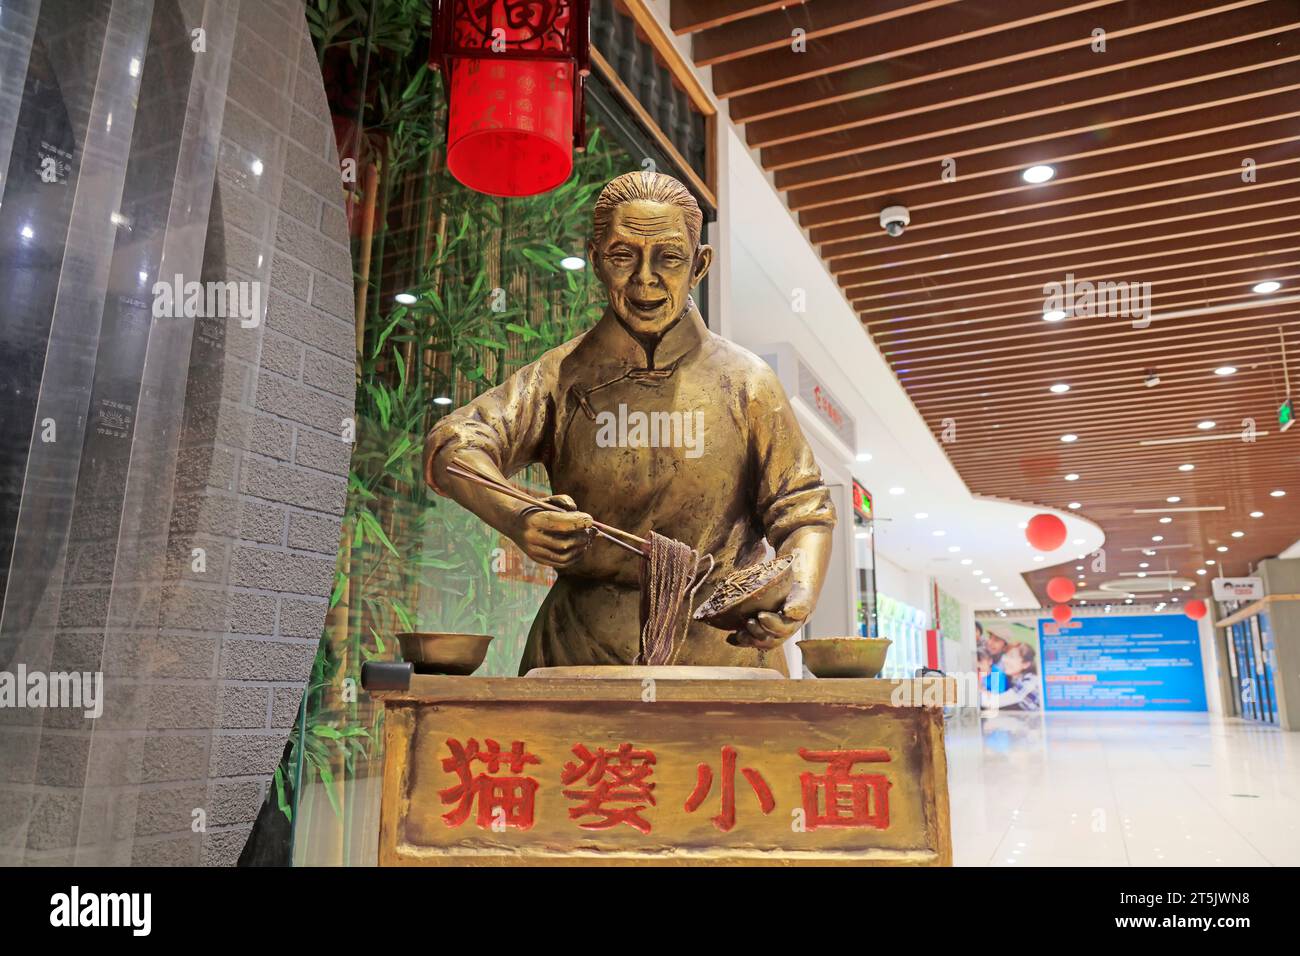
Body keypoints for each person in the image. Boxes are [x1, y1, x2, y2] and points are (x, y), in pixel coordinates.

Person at [424, 171, 836, 674]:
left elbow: (804, 511)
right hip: (580, 652)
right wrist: (517, 515)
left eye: (669, 257)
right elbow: (453, 445)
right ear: (596, 258)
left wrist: (799, 592)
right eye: (624, 256)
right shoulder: (562, 376)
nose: (645, 278)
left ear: (699, 265)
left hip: (723, 653)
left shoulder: (747, 382)